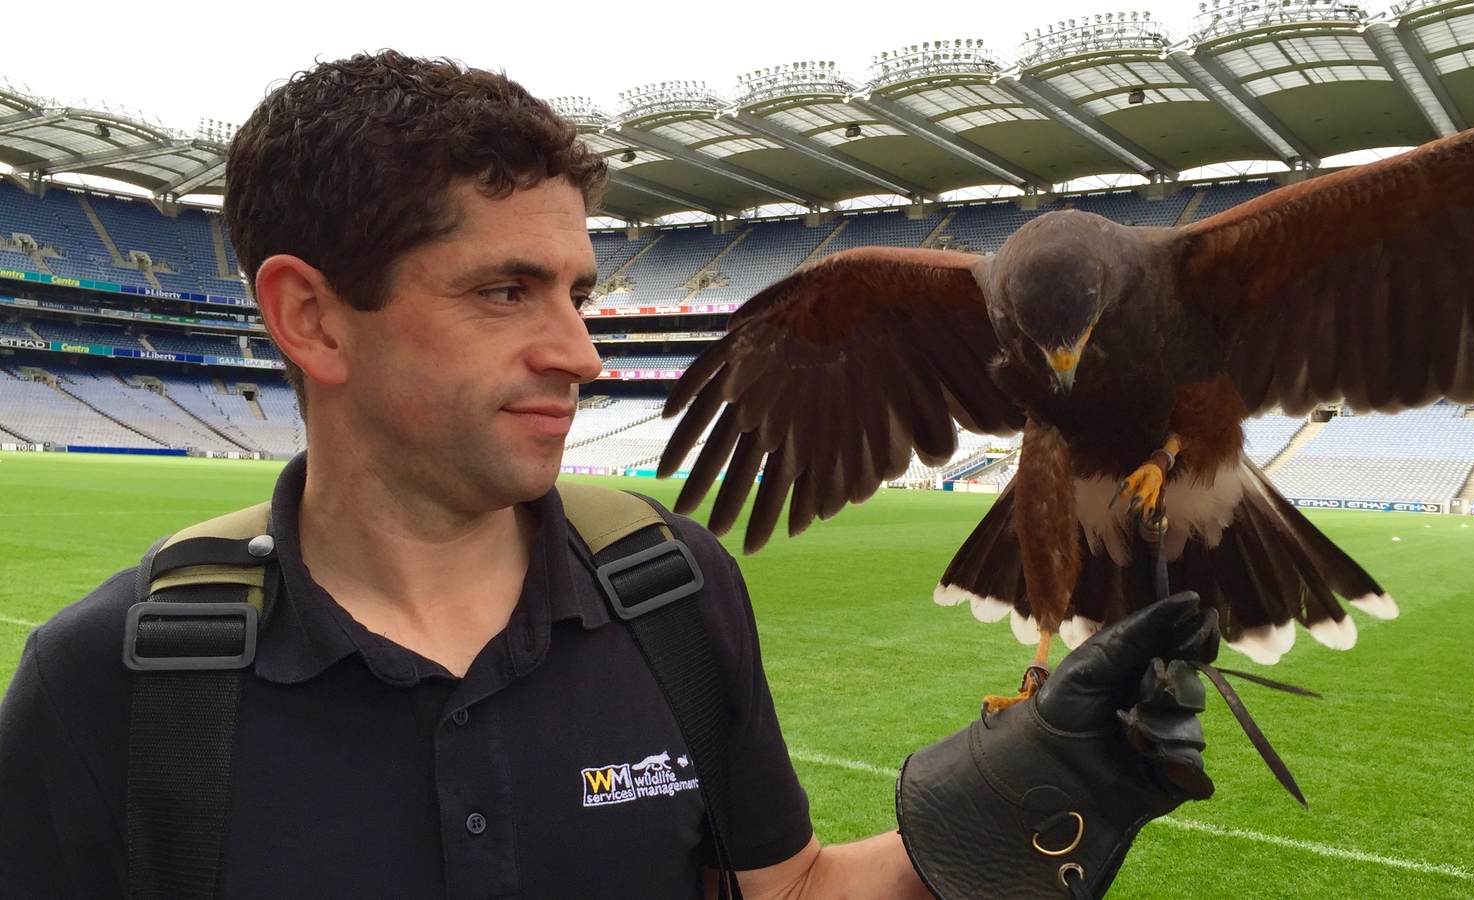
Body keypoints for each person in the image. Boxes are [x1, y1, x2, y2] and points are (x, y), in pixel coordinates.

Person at [0, 52, 1216, 900]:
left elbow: (782, 894)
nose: (580, 352)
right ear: (310, 320)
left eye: (578, 293)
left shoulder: (670, 593)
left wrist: (1037, 791)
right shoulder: (113, 686)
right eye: (504, 291)